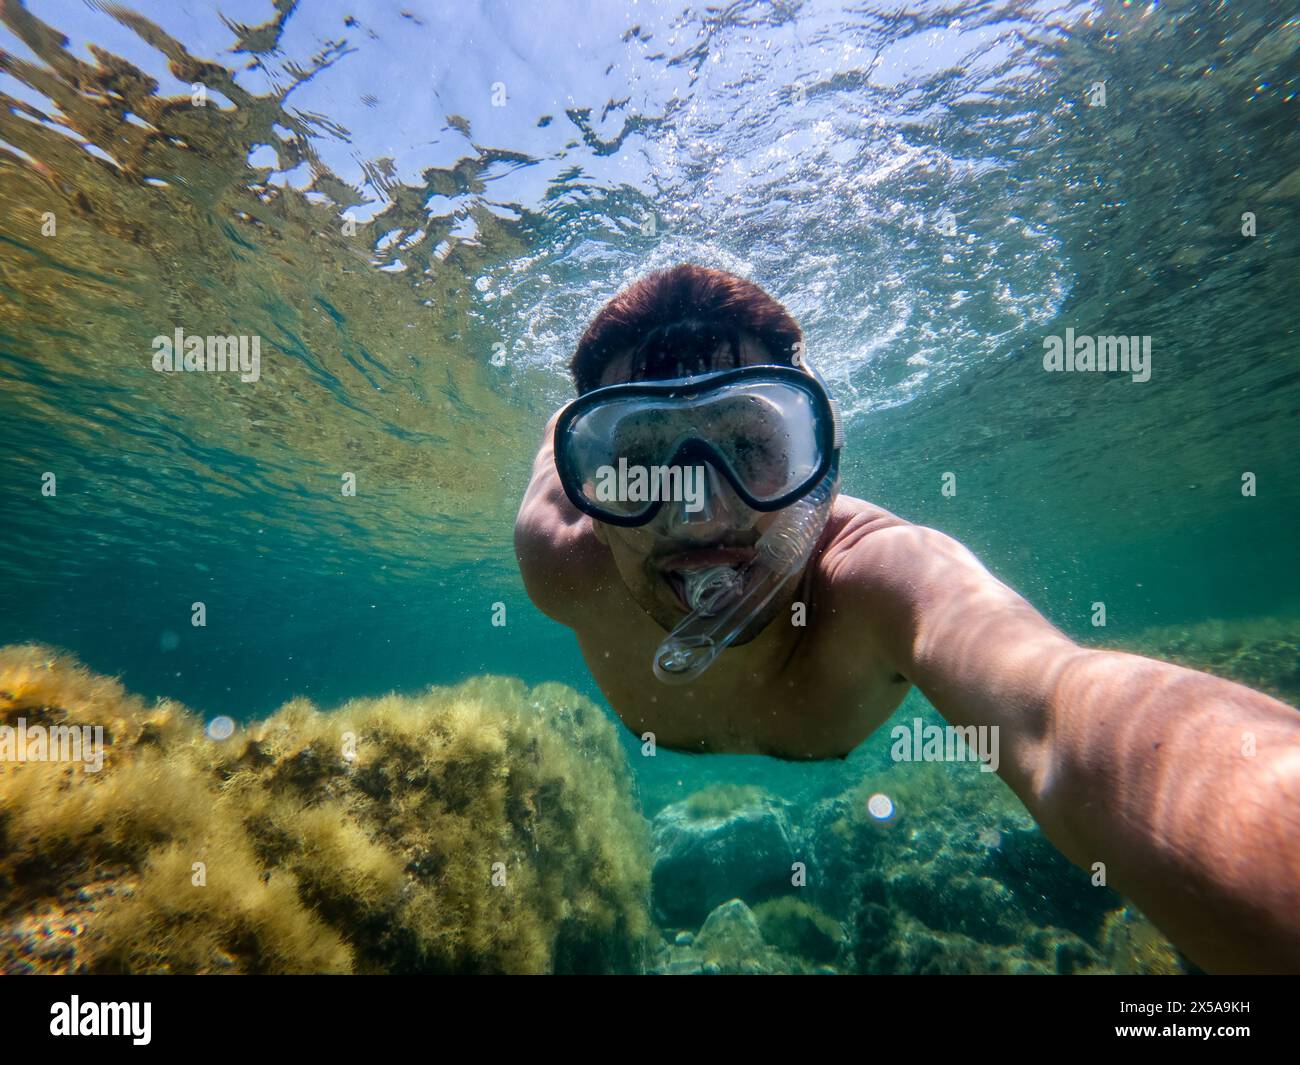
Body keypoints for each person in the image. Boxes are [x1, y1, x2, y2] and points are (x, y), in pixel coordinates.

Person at [513, 263, 1300, 974]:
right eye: (637, 459)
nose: (700, 510)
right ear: (591, 481)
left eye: (752, 442)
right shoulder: (560, 560)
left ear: (817, 457)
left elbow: (1059, 713)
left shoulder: (877, 576)